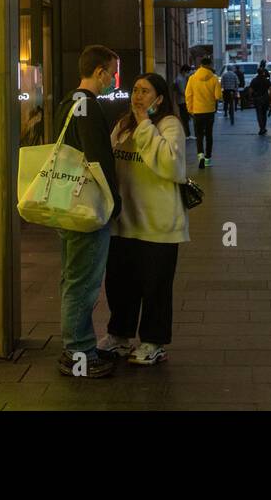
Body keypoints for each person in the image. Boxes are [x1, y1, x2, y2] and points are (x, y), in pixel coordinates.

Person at [98, 72, 188, 366]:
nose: (137, 96)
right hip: (123, 222)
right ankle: (119, 335)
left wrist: (145, 126)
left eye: (145, 92)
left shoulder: (169, 125)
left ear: (159, 99)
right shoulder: (122, 126)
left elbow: (171, 167)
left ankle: (153, 341)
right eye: (135, 90)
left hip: (158, 226)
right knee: (120, 284)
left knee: (155, 287)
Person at [51, 44, 123, 378]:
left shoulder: (67, 102)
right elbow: (98, 161)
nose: (113, 80)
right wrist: (113, 202)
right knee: (83, 281)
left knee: (73, 277)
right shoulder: (89, 107)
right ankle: (79, 353)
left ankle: (78, 349)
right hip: (86, 207)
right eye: (112, 72)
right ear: (99, 72)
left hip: (66, 201)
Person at [185, 56, 220, 170]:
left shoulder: (192, 78)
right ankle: (208, 159)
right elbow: (218, 96)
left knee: (199, 135)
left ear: (200, 65)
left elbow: (188, 95)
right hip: (209, 111)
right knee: (209, 135)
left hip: (197, 111)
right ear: (209, 65)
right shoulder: (214, 78)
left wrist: (190, 109)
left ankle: (200, 156)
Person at [250, 62, 271, 135]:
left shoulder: (254, 80)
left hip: (257, 99)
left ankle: (261, 128)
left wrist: (251, 97)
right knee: (264, 113)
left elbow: (251, 90)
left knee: (259, 114)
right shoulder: (266, 80)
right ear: (263, 73)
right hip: (265, 98)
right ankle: (264, 127)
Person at [172, 64, 192, 138]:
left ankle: (187, 134)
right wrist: (189, 96)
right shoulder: (180, 79)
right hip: (182, 101)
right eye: (187, 72)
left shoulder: (182, 78)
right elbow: (182, 91)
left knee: (185, 117)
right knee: (184, 118)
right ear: (183, 71)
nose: (187, 74)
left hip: (183, 100)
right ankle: (186, 134)